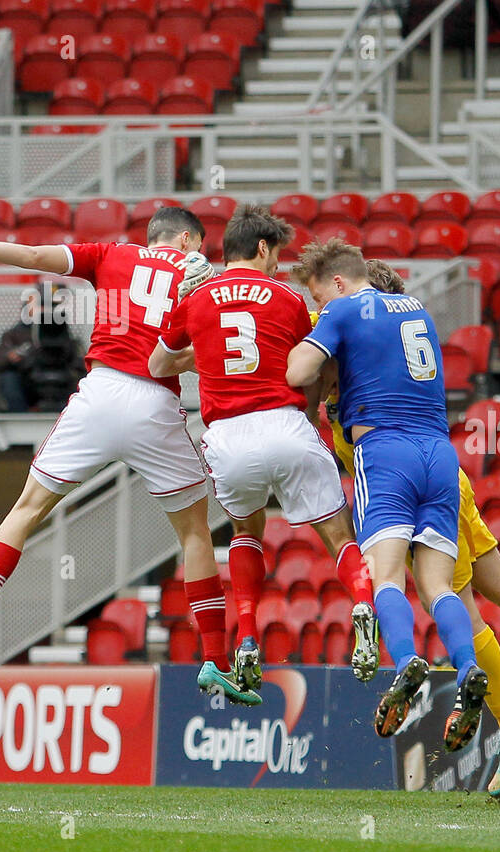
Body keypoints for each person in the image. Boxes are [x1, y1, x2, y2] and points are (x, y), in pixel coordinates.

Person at [0, 210, 248, 702]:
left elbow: (30, 256)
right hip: (155, 401)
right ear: (185, 238)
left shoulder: (111, 254)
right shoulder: (199, 276)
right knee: (195, 533)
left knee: (26, 510)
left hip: (100, 393)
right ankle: (215, 660)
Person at [318, 259, 500, 795]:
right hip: (445, 475)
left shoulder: (356, 357)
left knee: (453, 604)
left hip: (411, 482)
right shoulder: (388, 351)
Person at [149, 205, 378, 695]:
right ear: (260, 248)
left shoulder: (196, 299)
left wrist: (200, 348)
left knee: (245, 531)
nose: (276, 264)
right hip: (287, 423)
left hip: (228, 436)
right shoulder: (290, 299)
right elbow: (308, 366)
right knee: (337, 536)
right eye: (275, 254)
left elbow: (158, 361)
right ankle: (363, 602)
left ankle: (248, 635)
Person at [286, 240, 489, 752]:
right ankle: (467, 667)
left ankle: (406, 661)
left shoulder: (344, 308)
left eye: (318, 294)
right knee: (439, 587)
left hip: (384, 450)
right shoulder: (415, 306)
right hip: (440, 454)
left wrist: (313, 334)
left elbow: (297, 372)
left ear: (336, 282)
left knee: (384, 578)